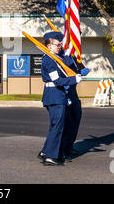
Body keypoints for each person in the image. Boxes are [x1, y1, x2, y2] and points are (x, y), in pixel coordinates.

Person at [38, 32, 82, 166]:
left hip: (58, 95)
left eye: (60, 44)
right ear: (49, 45)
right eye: (58, 44)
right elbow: (57, 81)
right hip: (54, 96)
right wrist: (74, 79)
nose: (60, 47)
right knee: (57, 126)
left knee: (56, 126)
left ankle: (46, 151)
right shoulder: (49, 60)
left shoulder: (55, 58)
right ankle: (50, 156)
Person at [59, 53, 90, 161]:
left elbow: (84, 69)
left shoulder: (74, 56)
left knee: (76, 117)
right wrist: (77, 73)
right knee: (67, 123)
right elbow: (64, 73)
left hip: (73, 92)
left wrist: (81, 71)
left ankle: (70, 145)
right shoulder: (61, 56)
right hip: (65, 91)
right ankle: (63, 150)